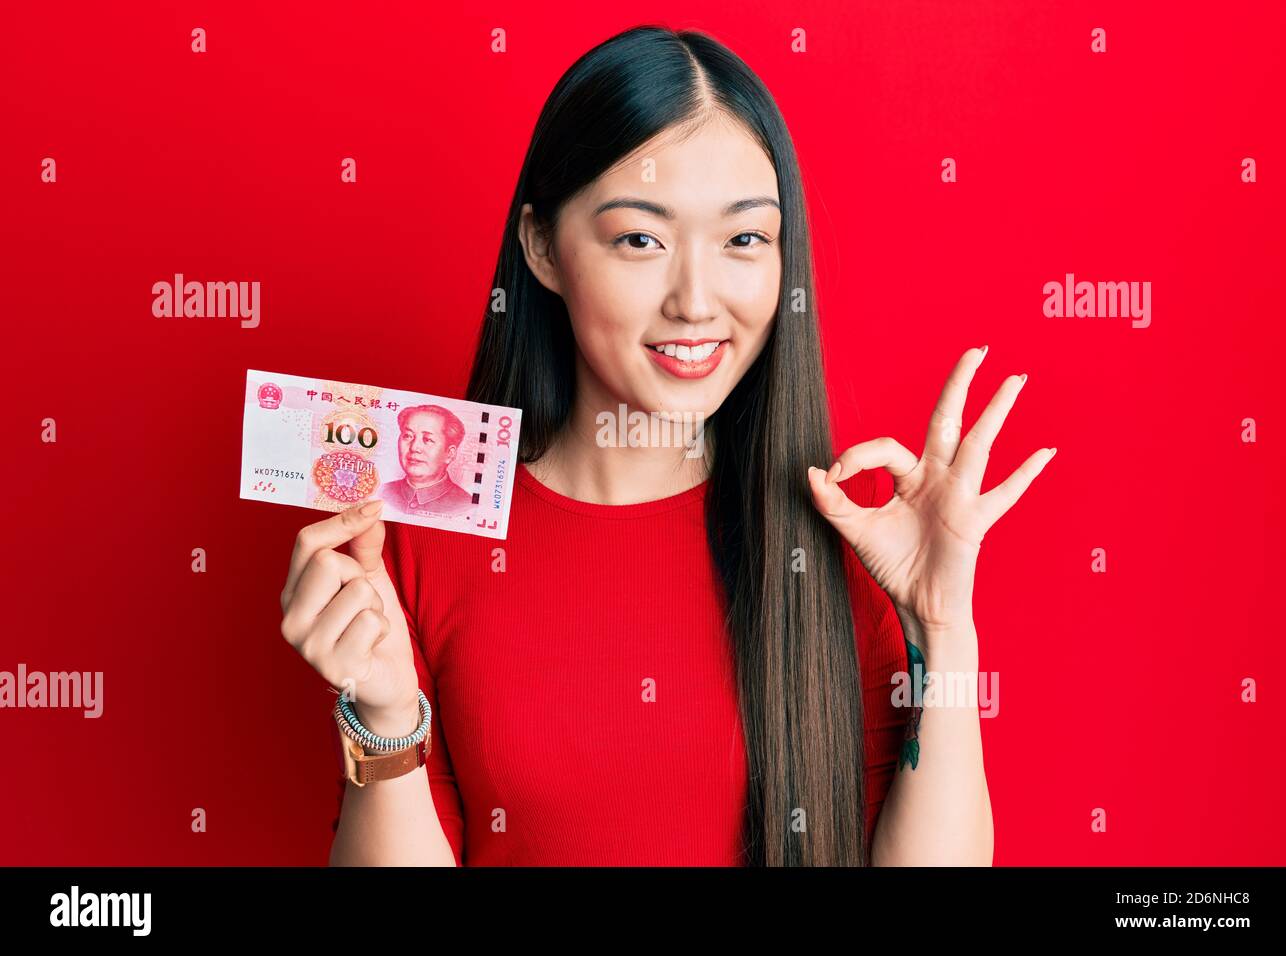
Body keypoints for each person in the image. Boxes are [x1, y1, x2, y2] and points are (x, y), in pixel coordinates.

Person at [278, 25, 1052, 866]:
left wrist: (942, 626)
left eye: (744, 239)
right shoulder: (421, 543)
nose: (695, 300)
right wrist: (386, 724)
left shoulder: (843, 548)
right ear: (542, 247)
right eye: (640, 239)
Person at [378, 405, 475, 516]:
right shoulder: (382, 492)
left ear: (449, 453)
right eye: (408, 436)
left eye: (428, 439)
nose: (414, 447)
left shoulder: (466, 506)